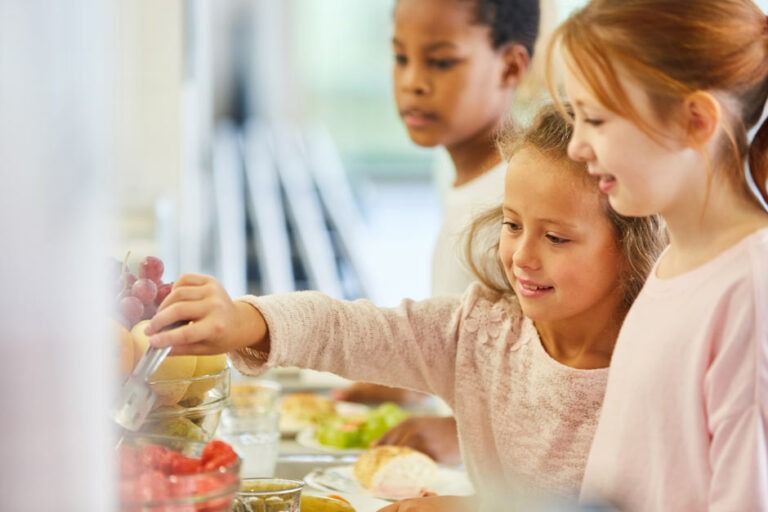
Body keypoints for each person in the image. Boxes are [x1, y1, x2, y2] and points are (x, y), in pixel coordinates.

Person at [145, 103, 666, 507]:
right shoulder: (481, 330)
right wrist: (244, 319)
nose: (522, 256)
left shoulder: (657, 364)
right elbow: (347, 329)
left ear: (630, 247)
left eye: (556, 238)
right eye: (511, 225)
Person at [545, 1, 768, 510]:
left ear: (695, 119)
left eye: (595, 119)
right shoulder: (674, 262)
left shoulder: (751, 290)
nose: (577, 146)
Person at [332, 0, 542, 465]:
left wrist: (460, 433)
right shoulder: (460, 176)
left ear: (510, 66)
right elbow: (484, 350)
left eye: (442, 61)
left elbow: (563, 376)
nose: (412, 83)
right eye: (400, 57)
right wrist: (415, 374)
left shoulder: (522, 205)